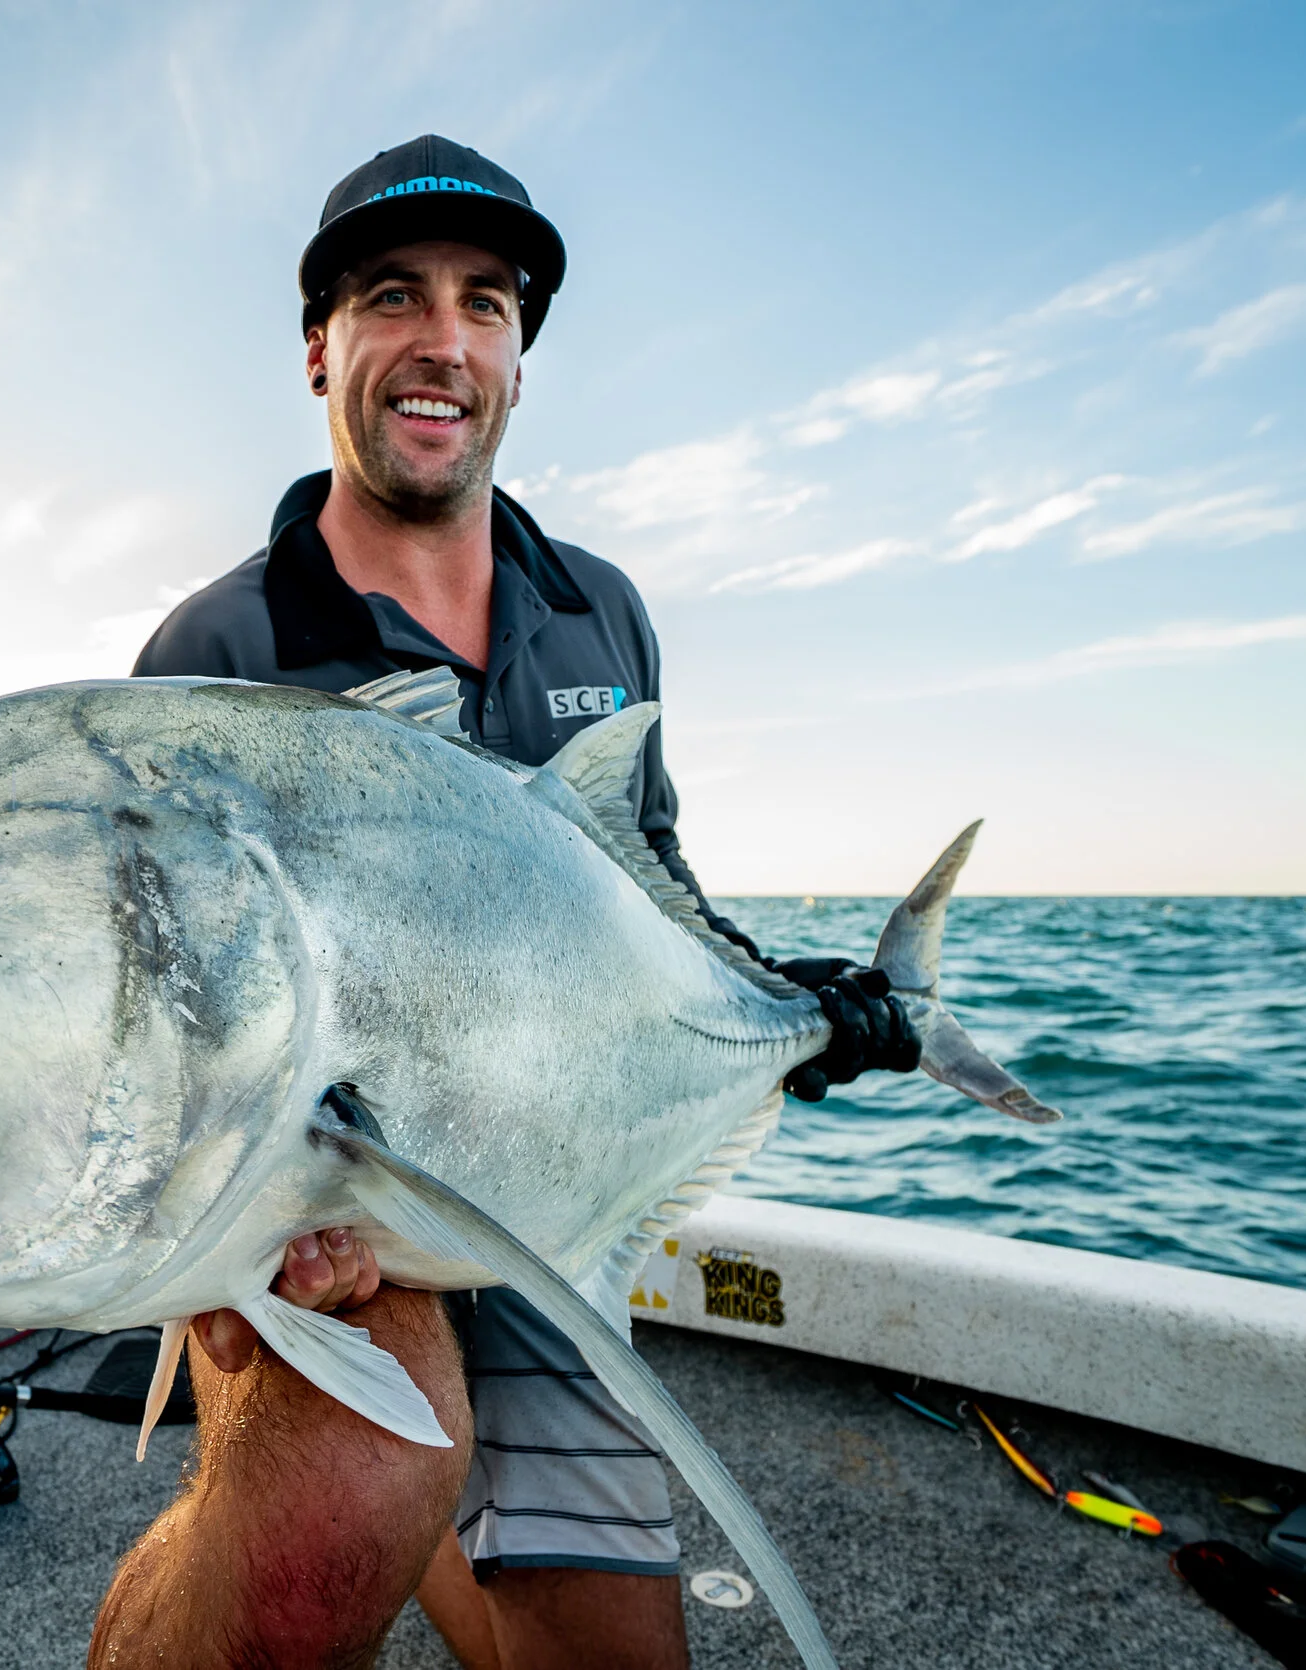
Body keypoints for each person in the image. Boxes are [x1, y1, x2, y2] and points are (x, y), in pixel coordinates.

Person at [91, 135, 920, 1670]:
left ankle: (445, 1528)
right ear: (320, 345)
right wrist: (240, 1227)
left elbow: (647, 890)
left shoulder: (602, 608)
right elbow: (158, 1004)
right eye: (394, 297)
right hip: (319, 1205)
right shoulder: (217, 642)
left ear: (520, 360)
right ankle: (364, 1519)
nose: (443, 342)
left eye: (487, 303)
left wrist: (789, 1002)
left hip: (549, 1188)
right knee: (340, 1504)